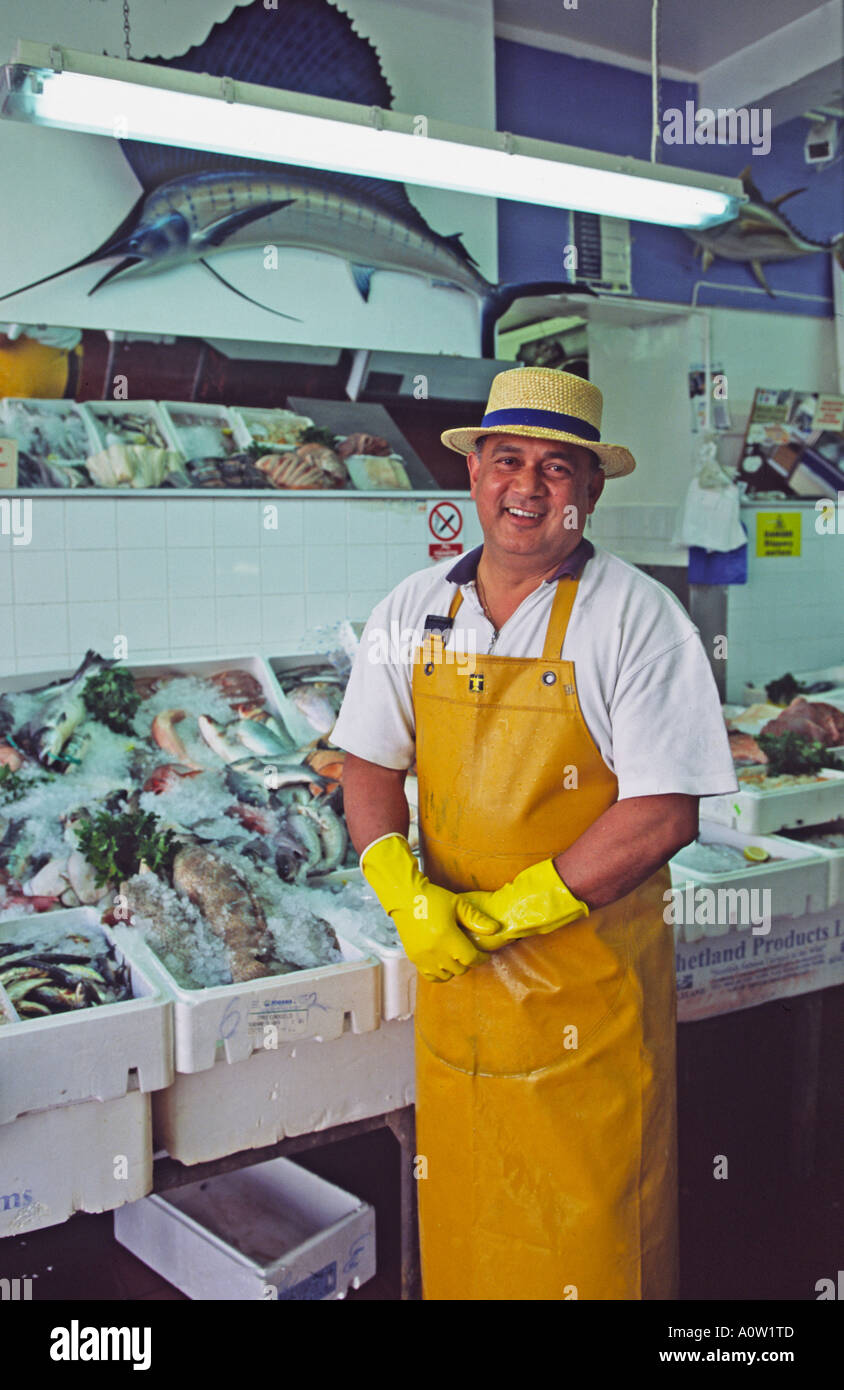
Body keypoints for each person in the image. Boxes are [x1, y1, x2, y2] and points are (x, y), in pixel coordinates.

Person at [332, 366, 738, 1300]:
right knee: (467, 1239)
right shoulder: (413, 609)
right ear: (473, 476)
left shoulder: (639, 619)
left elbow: (664, 810)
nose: (527, 487)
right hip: (458, 1005)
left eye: (558, 469)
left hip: (586, 1008)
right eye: (507, 460)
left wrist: (522, 907)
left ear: (591, 491)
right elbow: (366, 763)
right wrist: (403, 891)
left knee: (593, 1244)